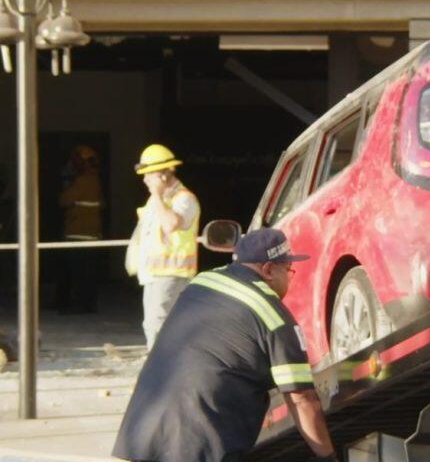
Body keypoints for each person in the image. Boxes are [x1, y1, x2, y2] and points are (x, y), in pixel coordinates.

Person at [113, 227, 337, 462]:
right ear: (269, 269)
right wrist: (328, 457)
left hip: (142, 432)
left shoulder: (201, 283)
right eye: (288, 270)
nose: (290, 277)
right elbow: (302, 400)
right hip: (199, 444)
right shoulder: (274, 318)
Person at [125, 144, 200, 349]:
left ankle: (158, 372)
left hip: (171, 273)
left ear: (163, 176)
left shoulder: (184, 199)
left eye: (149, 175)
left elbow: (171, 224)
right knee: (153, 325)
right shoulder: (156, 201)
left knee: (158, 326)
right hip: (155, 274)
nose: (145, 179)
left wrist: (157, 196)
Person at [57, 145, 104, 313]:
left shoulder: (84, 180)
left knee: (80, 272)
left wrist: (66, 182)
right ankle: (85, 304)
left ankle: (81, 305)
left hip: (79, 233)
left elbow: (63, 200)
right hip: (89, 233)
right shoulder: (94, 180)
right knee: (86, 272)